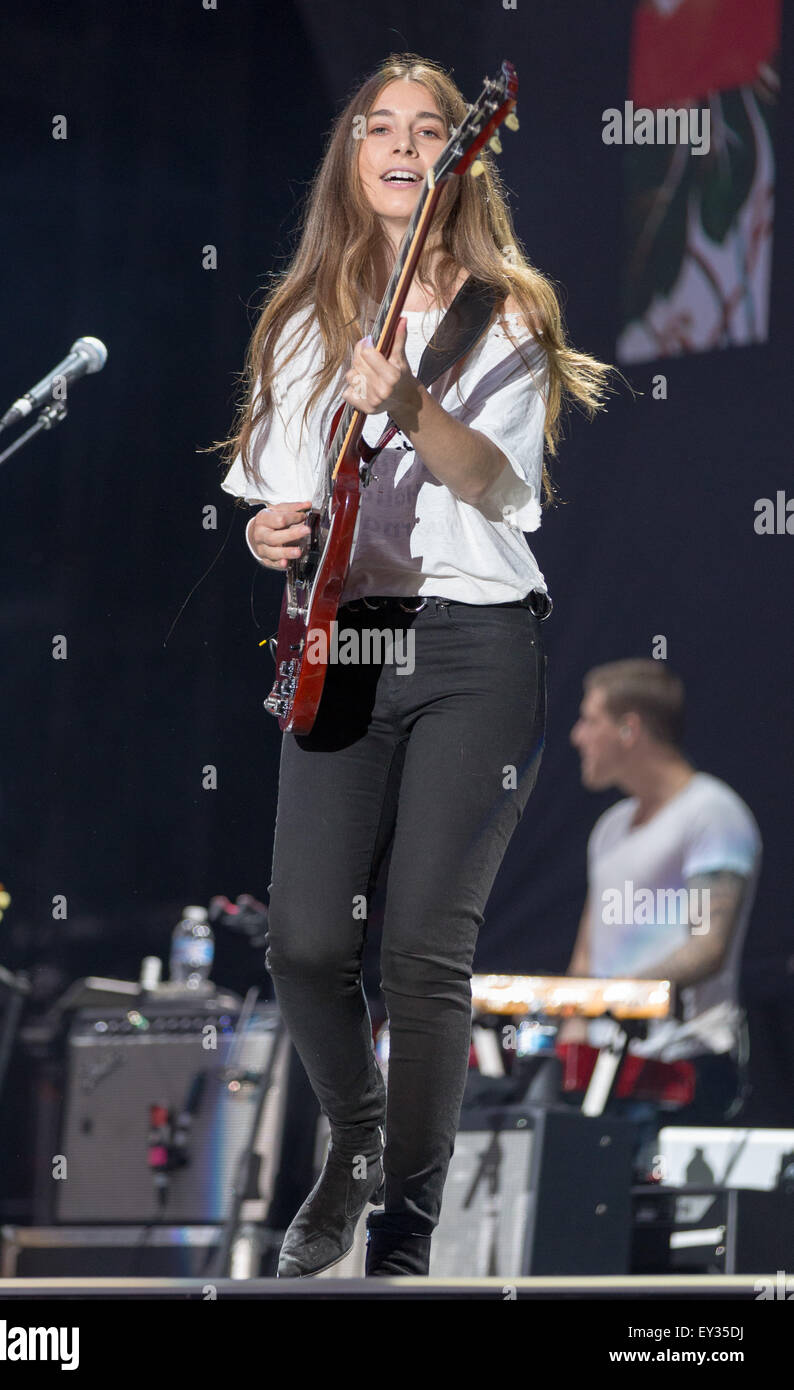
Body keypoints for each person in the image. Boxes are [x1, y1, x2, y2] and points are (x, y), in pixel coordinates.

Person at [213, 52, 614, 1277]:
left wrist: (411, 405)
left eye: (424, 129)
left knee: (421, 950)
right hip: (349, 631)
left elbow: (493, 483)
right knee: (303, 945)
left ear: (461, 155)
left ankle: (403, 1233)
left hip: (474, 640)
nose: (397, 145)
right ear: (350, 157)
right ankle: (357, 1135)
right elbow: (287, 501)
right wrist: (261, 530)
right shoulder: (298, 319)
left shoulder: (508, 311)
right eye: (373, 127)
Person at [564, 659, 762, 1172]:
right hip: (606, 1072)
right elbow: (589, 950)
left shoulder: (710, 812)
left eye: (590, 720)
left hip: (681, 1070)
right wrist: (574, 1031)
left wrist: (613, 997)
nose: (576, 735)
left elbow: (707, 946)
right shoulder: (609, 828)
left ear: (630, 728)